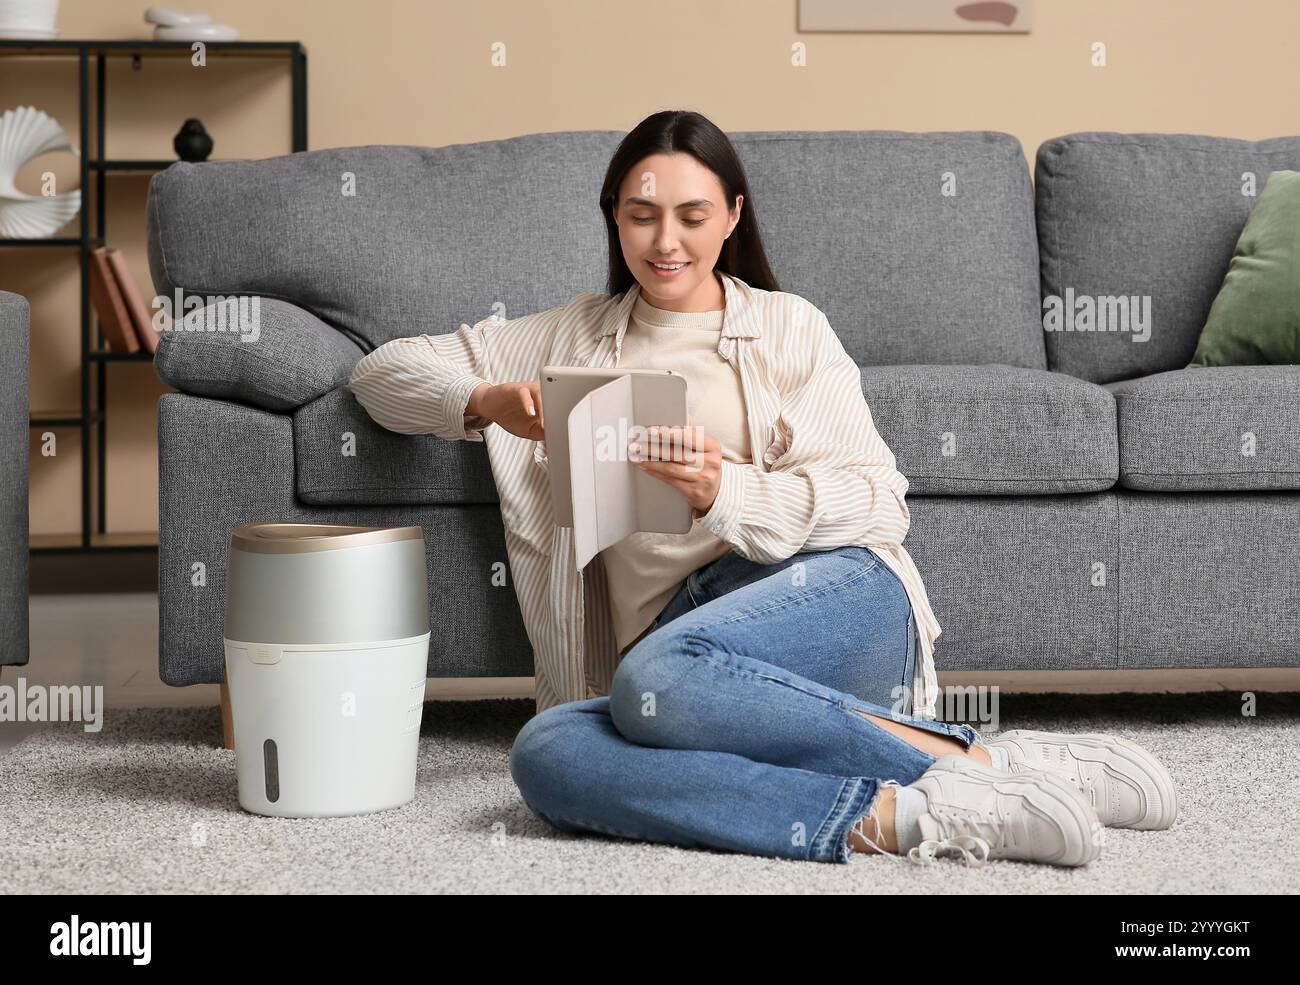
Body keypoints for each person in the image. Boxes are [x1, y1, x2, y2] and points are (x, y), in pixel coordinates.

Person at [349, 109, 1178, 866]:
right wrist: (484, 399)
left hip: (822, 595)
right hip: (676, 665)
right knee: (548, 751)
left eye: (692, 216)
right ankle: (912, 812)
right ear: (614, 217)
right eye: (641, 215)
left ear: (734, 216)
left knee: (656, 681)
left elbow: (879, 500)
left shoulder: (789, 328)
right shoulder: (565, 336)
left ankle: (974, 760)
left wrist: (726, 492)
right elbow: (379, 375)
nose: (664, 242)